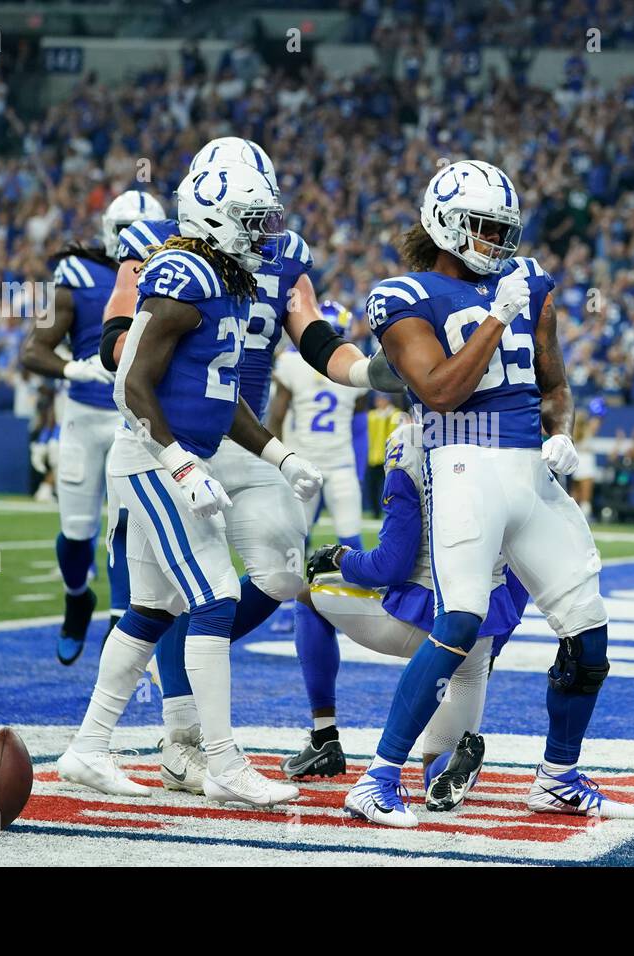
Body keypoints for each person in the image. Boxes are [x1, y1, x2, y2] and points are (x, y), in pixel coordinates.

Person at [97, 138, 401, 792]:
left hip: (243, 430)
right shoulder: (163, 250)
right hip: (167, 438)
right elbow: (117, 347)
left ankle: (189, 660)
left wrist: (371, 373)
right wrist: (170, 340)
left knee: (283, 570)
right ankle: (183, 739)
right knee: (173, 594)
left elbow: (315, 336)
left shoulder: (281, 258)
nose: (270, 230)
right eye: (256, 216)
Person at [350, 160, 634, 827]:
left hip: (527, 473)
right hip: (462, 467)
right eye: (482, 227)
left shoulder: (529, 282)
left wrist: (559, 434)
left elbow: (554, 383)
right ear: (445, 224)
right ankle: (377, 778)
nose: (495, 242)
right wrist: (493, 319)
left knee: (588, 632)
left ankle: (557, 776)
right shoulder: (403, 296)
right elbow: (441, 390)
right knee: (459, 622)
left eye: (503, 229)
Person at [56, 163, 321, 808]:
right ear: (213, 215)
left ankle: (88, 750)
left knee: (152, 610)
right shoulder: (183, 275)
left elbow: (219, 396)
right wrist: (179, 463)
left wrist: (281, 456)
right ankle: (223, 760)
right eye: (251, 220)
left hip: (177, 456)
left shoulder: (225, 277)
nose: (262, 235)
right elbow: (130, 385)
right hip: (152, 460)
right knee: (215, 597)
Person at [283, 422, 521, 813]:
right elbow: (523, 573)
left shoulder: (412, 440)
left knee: (306, 597)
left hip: (420, 617)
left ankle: (323, 738)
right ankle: (453, 763)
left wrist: (341, 558)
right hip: (481, 627)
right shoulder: (513, 443)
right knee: (436, 767)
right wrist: (497, 640)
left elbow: (391, 565)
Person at [20, 190, 164, 663]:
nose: (135, 242)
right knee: (77, 531)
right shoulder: (77, 275)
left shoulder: (179, 273)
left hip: (137, 419)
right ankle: (77, 596)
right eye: (126, 232)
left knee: (127, 526)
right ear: (110, 230)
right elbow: (34, 350)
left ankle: (120, 621)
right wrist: (72, 369)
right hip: (83, 416)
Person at [267, 299, 368, 550]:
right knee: (345, 539)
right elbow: (360, 423)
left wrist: (276, 462)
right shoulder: (355, 366)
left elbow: (276, 417)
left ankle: (297, 589)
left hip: (307, 461)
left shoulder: (291, 362)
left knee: (299, 540)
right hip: (330, 464)